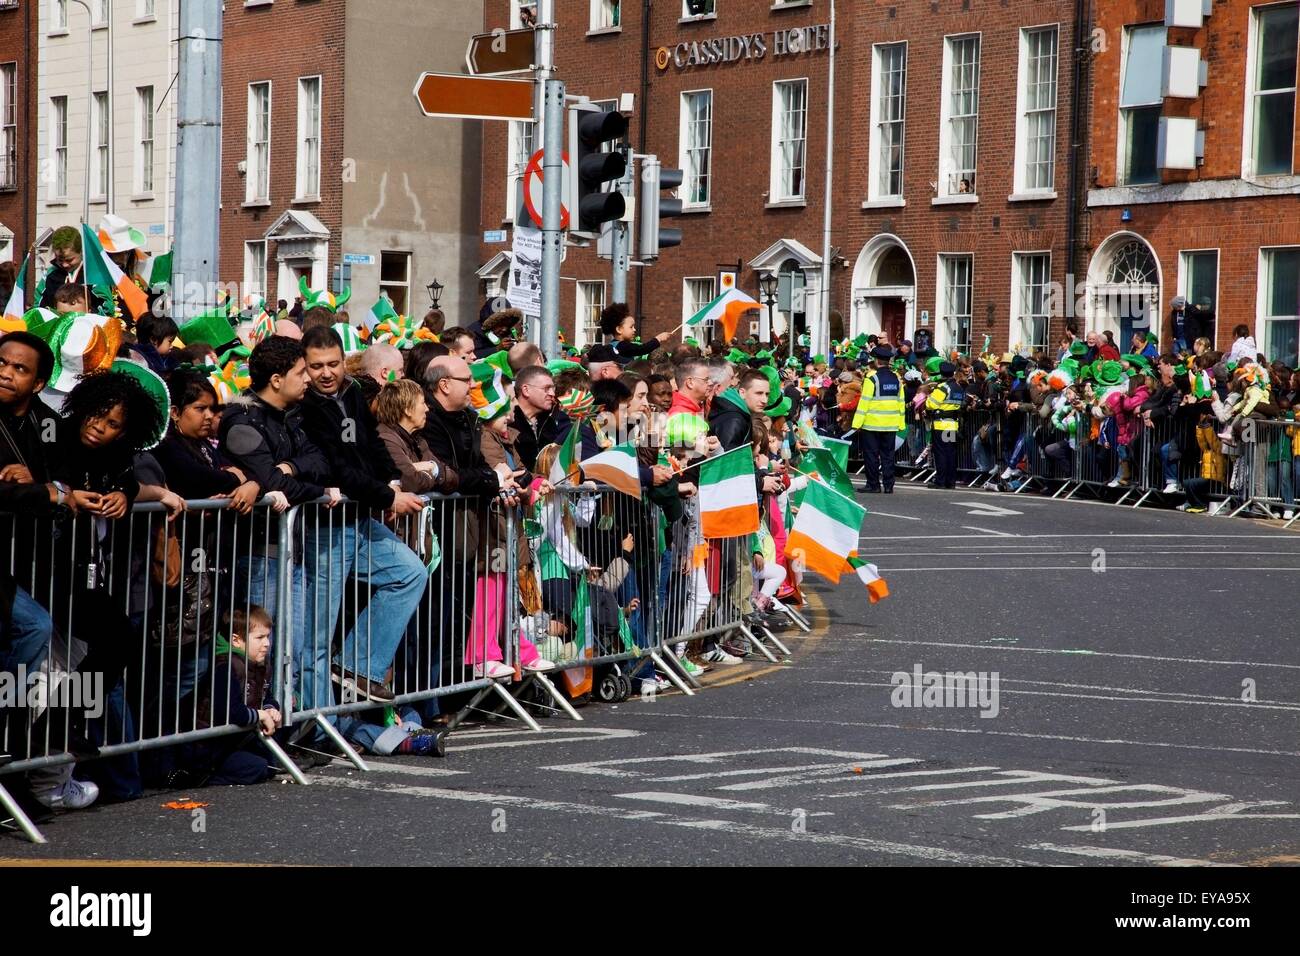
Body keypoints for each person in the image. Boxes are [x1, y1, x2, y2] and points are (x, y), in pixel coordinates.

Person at [298, 326, 427, 705]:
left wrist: (391, 482)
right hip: (324, 529)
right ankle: (317, 724)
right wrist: (388, 497)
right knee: (318, 634)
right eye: (316, 366)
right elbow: (336, 467)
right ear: (304, 367)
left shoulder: (353, 392)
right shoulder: (305, 405)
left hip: (358, 519)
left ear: (344, 361)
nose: (326, 373)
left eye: (333, 364)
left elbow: (371, 442)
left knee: (409, 573)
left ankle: (356, 666)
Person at [177, 606, 286, 786]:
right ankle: (199, 777)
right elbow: (230, 711)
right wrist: (261, 715)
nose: (267, 643)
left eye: (267, 636)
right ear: (236, 640)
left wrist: (270, 708)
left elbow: (265, 696)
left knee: (270, 763)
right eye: (259, 638)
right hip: (209, 747)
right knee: (257, 768)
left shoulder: (259, 664)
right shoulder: (226, 667)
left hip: (236, 739)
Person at [853, 345, 905, 493]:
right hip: (891, 424)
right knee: (888, 456)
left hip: (872, 424)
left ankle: (873, 484)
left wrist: (856, 424)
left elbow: (864, 403)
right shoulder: (897, 379)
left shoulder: (872, 379)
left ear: (876, 361)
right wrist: (900, 423)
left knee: (871, 456)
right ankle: (889, 486)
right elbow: (901, 402)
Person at [509, 365, 561, 472]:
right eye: (546, 388)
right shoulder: (508, 421)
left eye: (553, 388)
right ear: (526, 390)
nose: (552, 393)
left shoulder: (550, 421)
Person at [925, 362, 966, 489]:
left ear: (941, 373)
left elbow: (930, 404)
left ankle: (940, 481)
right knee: (950, 454)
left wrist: (930, 395)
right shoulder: (958, 387)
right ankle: (950, 481)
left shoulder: (943, 387)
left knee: (941, 454)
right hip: (952, 425)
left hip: (941, 424)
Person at [600, 303, 669, 367]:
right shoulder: (622, 346)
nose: (634, 330)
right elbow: (642, 349)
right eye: (631, 327)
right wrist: (658, 338)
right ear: (619, 329)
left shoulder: (614, 345)